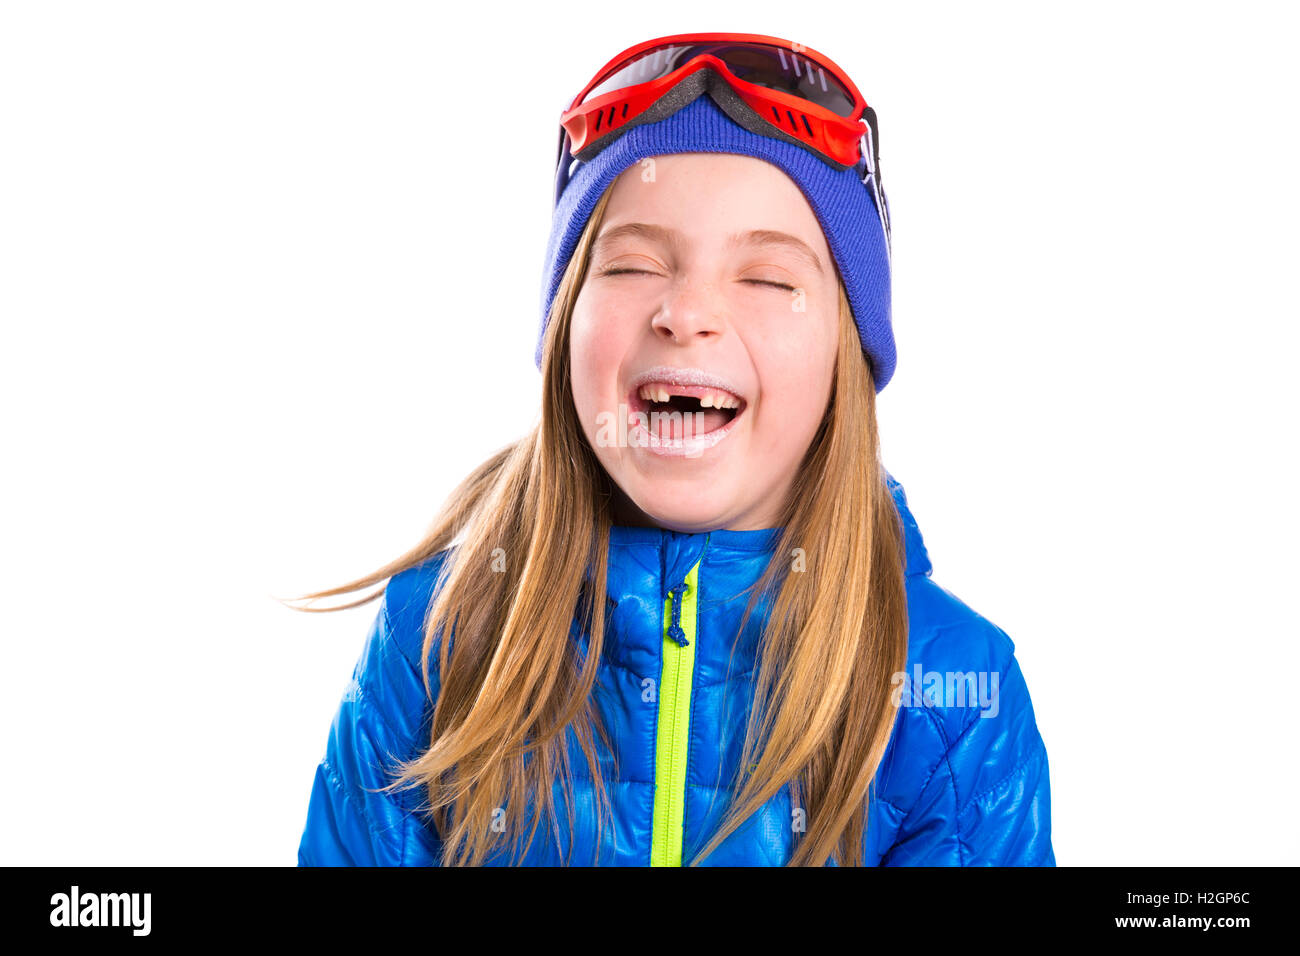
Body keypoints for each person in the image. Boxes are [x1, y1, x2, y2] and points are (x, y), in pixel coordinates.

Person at [291, 32, 1054, 866]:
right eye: (633, 265)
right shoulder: (437, 642)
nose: (686, 312)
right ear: (565, 321)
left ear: (847, 351)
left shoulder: (952, 703)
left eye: (767, 278)